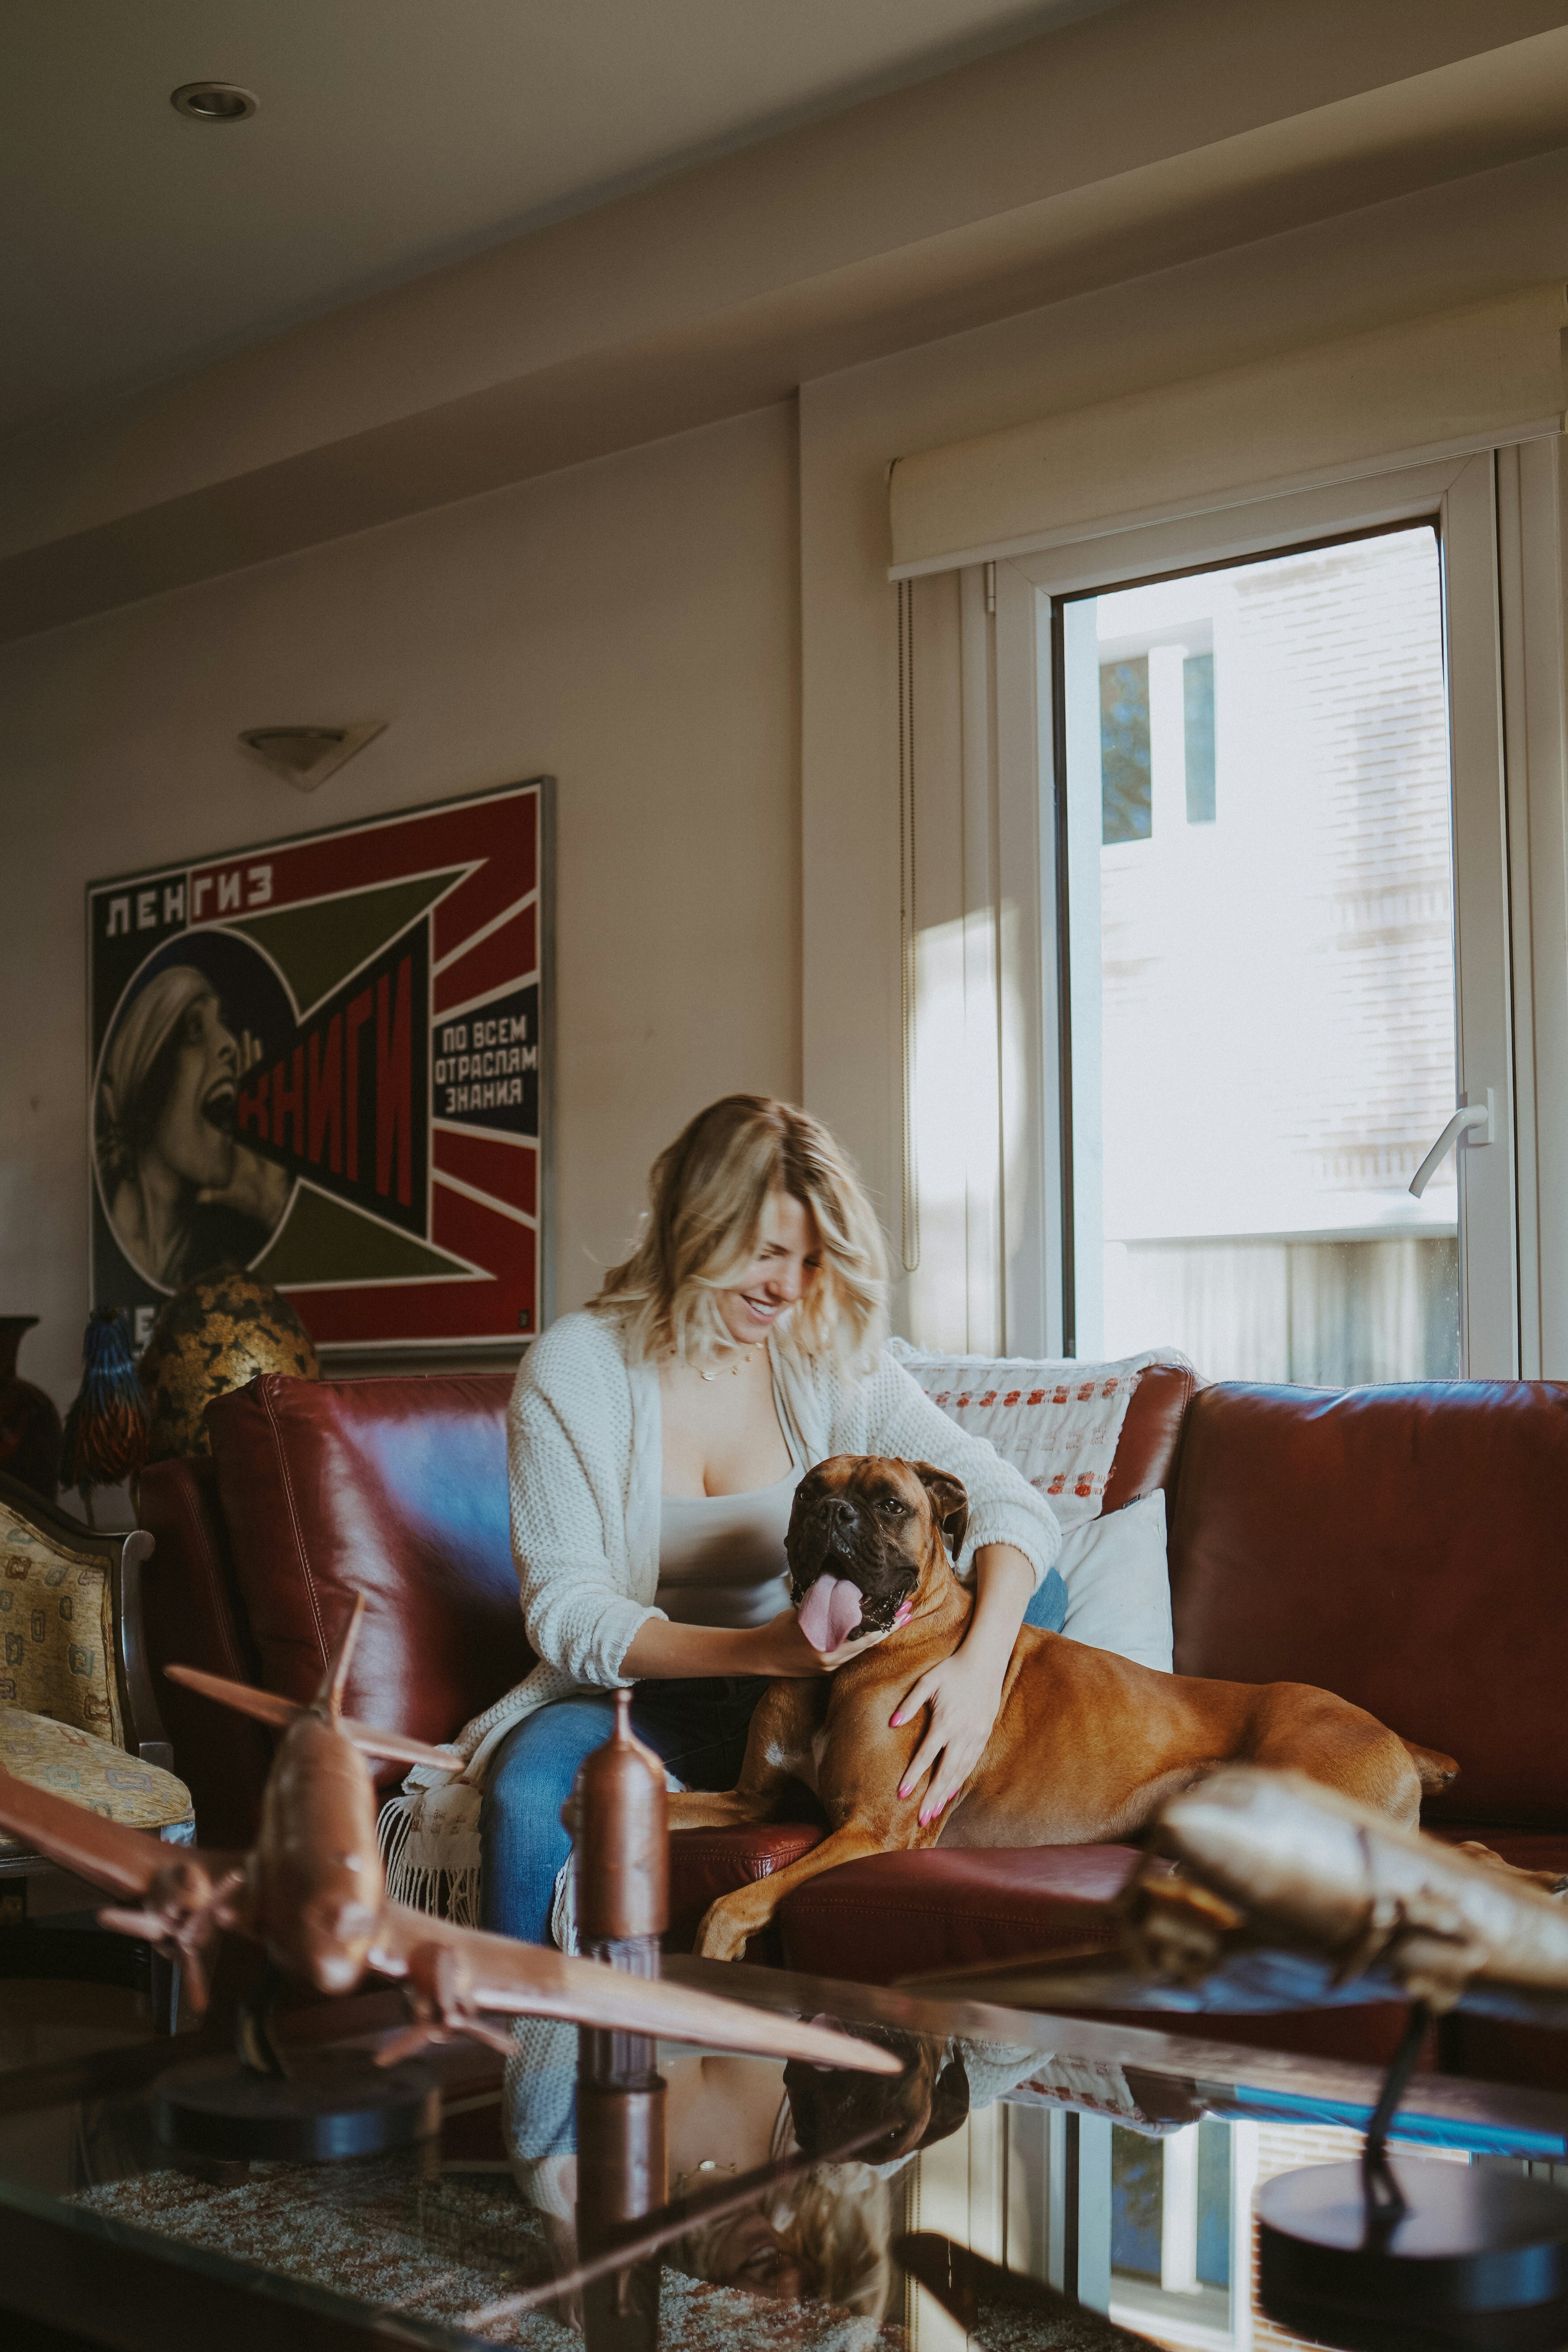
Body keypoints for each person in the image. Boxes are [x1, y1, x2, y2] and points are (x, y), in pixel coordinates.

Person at [462, 1092, 1062, 1946]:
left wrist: (973, 1679)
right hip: (638, 1695)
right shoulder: (575, 1369)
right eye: (767, 1252)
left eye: (813, 1260)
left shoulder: (817, 1356)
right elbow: (564, 1611)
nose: (790, 1286)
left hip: (825, 1688)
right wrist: (763, 1649)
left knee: (1030, 1595)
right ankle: (524, 2049)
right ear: (692, 1229)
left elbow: (1005, 1499)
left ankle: (920, 1791)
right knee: (526, 1796)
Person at [97, 965, 288, 1288]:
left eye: (222, 1024)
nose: (230, 1043)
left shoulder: (226, 1251)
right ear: (148, 1086)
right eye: (195, 1029)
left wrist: (272, 1209)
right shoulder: (118, 1252)